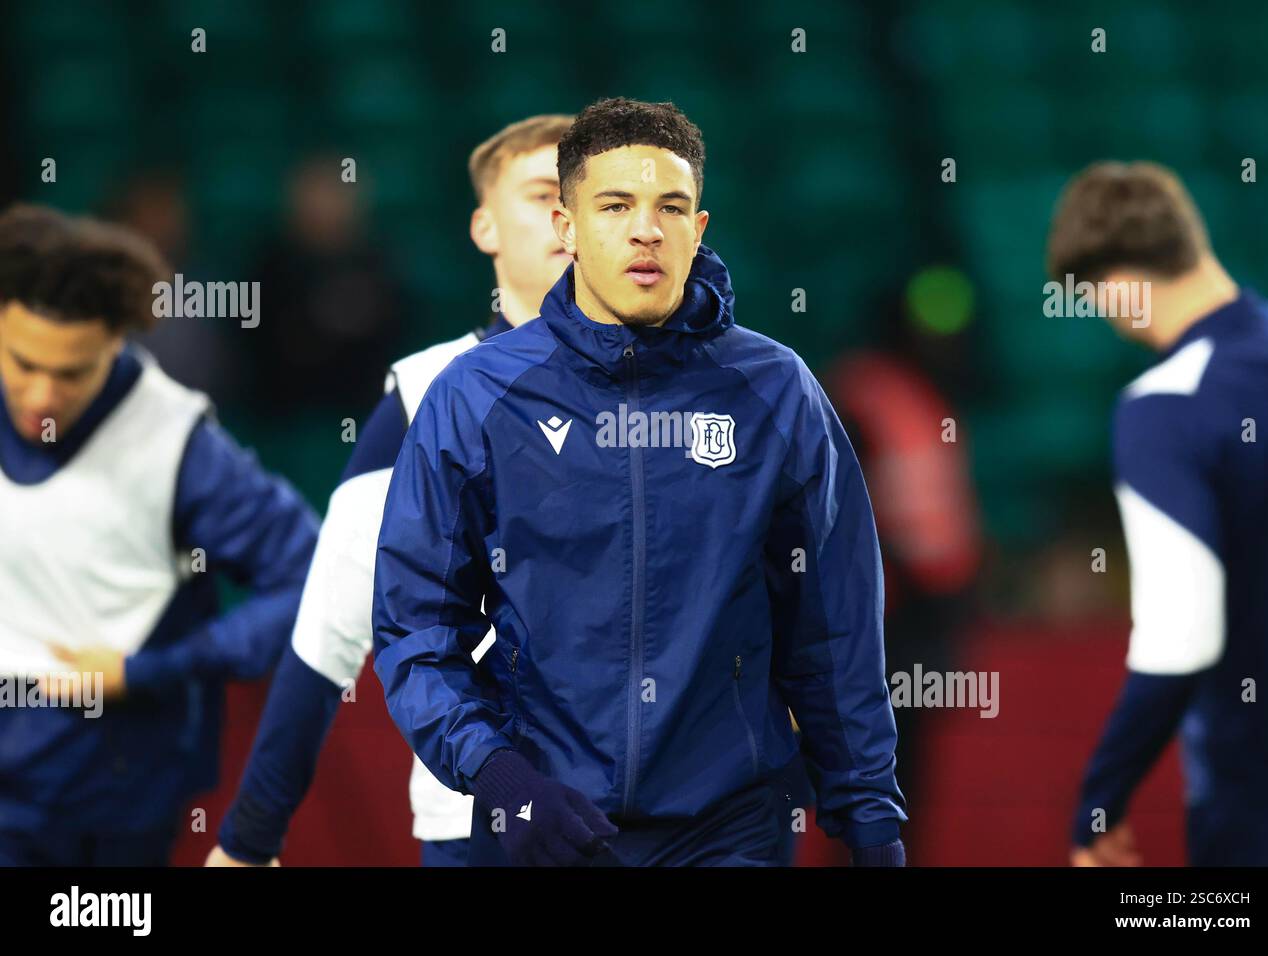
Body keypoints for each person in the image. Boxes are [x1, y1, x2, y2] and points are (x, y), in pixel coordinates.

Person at [373, 97, 907, 867]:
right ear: (568, 227)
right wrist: (503, 778)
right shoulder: (476, 397)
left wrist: (872, 826)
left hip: (732, 832)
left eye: (671, 207)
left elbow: (834, 631)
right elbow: (417, 627)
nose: (645, 229)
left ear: (699, 228)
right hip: (543, 828)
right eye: (615, 205)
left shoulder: (775, 391)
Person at [207, 114, 575, 867]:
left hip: (676, 818)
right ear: (484, 226)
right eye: (543, 195)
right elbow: (326, 635)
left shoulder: (701, 392)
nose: (567, 219)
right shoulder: (419, 398)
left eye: (591, 198)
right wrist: (248, 841)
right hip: (480, 822)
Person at [0, 204, 318, 866]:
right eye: (22, 363)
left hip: (112, 799)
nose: (38, 396)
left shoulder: (181, 445)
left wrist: (153, 670)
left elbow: (308, 580)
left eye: (70, 373)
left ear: (119, 339)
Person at [1047, 162, 1268, 866]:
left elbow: (1181, 638)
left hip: (1266, 800)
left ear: (1114, 283)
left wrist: (1102, 798)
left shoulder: (1163, 407)